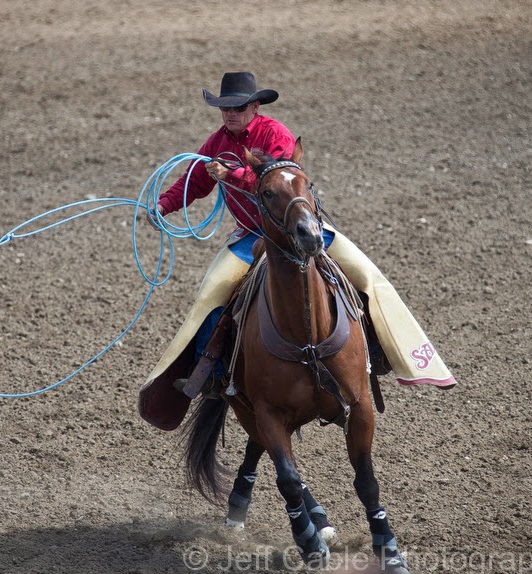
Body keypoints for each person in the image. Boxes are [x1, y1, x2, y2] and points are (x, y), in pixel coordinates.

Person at [139, 72, 455, 430]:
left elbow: (276, 180)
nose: (230, 114)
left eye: (238, 107)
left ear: (255, 107)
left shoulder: (276, 134)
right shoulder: (216, 143)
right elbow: (193, 181)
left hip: (298, 228)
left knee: (368, 276)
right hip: (250, 235)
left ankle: (386, 351)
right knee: (212, 292)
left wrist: (231, 174)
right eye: (225, 108)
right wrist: (163, 205)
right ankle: (209, 370)